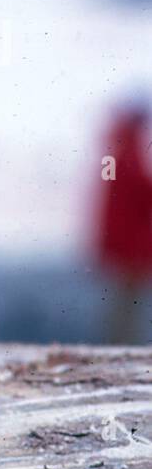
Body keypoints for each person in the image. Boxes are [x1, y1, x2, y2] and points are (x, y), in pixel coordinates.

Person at [94, 103, 152, 343]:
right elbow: (140, 193)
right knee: (126, 307)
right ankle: (122, 350)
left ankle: (119, 349)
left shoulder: (116, 152)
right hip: (130, 249)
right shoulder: (127, 153)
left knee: (122, 306)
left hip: (121, 247)